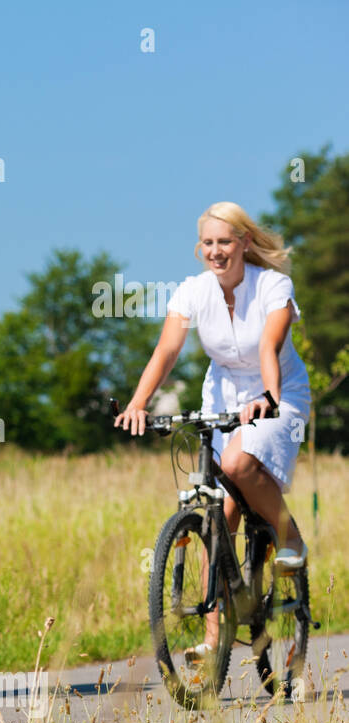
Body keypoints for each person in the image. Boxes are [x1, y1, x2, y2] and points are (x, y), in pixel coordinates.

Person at [114, 201, 311, 658]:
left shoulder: (273, 285)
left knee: (240, 464)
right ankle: (211, 639)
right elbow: (166, 351)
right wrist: (139, 403)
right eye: (208, 243)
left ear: (244, 243)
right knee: (217, 516)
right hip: (221, 394)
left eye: (225, 242)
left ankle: (290, 538)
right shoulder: (192, 292)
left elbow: (270, 343)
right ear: (198, 248)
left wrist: (268, 396)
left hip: (277, 393)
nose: (216, 251)